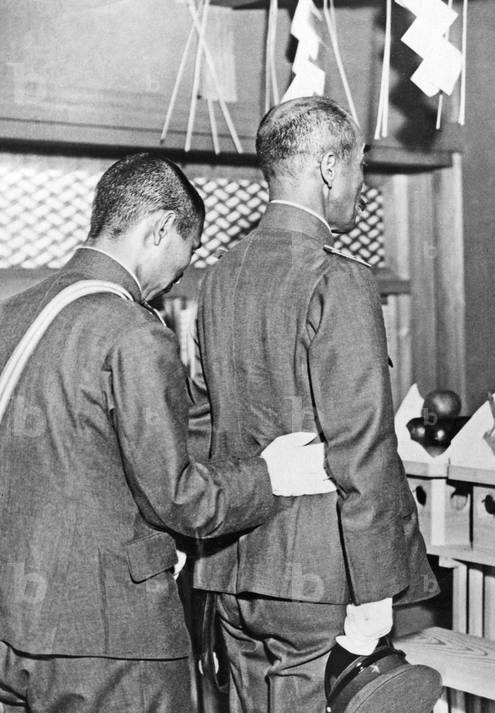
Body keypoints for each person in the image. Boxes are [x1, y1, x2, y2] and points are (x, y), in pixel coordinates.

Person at [0, 153, 334, 713]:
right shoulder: (132, 329)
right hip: (109, 643)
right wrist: (270, 475)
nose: (183, 271)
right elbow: (179, 499)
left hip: (12, 629)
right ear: (159, 228)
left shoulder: (14, 314)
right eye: (188, 249)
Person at [191, 96, 438, 712]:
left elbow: (199, 427)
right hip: (318, 576)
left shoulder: (219, 275)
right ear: (330, 167)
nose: (362, 180)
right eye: (358, 163)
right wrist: (377, 589)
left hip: (231, 572)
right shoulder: (338, 280)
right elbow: (362, 447)